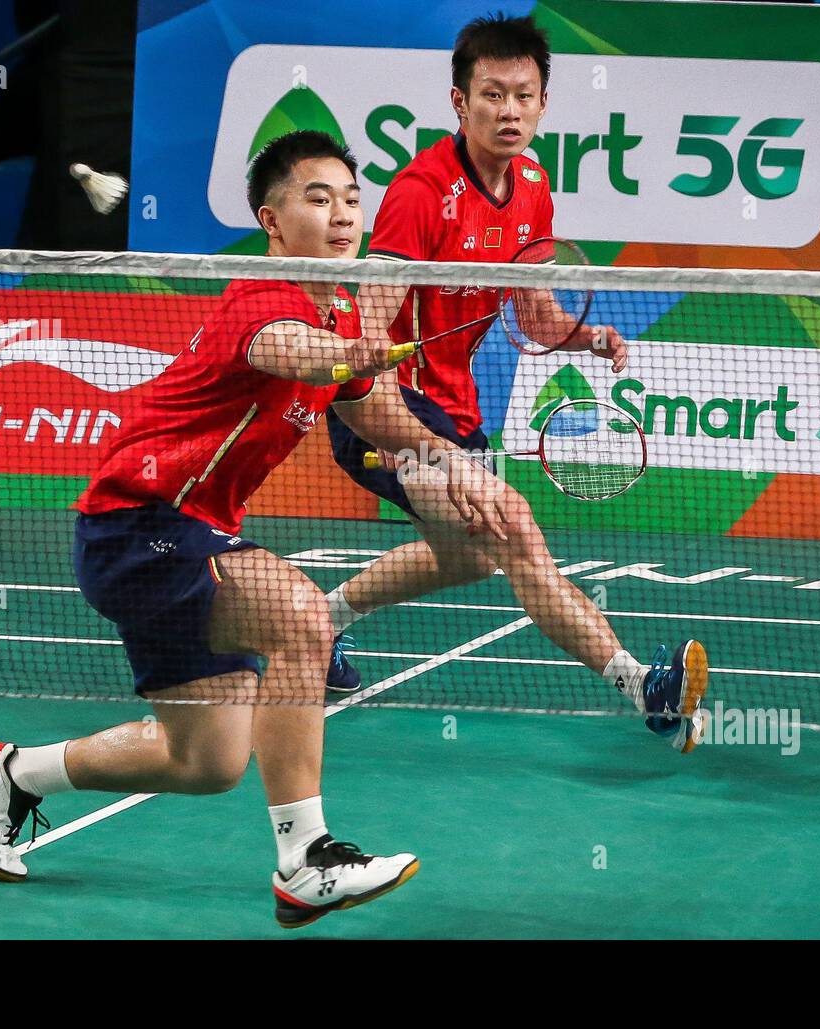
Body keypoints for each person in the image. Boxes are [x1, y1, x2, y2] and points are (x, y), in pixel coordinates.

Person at [0, 130, 509, 929]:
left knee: (208, 759)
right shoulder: (264, 296)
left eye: (352, 198)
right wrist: (345, 353)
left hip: (187, 535)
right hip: (139, 521)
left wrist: (452, 463)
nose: (342, 213)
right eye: (317, 198)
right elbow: (286, 350)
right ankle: (307, 859)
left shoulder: (341, 306)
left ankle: (12, 773)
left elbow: (375, 409)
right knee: (301, 617)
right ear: (272, 219)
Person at [325, 13, 710, 748]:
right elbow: (367, 331)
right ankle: (645, 687)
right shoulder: (418, 192)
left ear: (542, 103)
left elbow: (532, 309)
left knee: (469, 554)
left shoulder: (532, 185)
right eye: (492, 94)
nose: (508, 110)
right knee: (515, 529)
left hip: (456, 408)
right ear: (459, 103)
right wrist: (410, 438)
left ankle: (318, 622)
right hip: (387, 410)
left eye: (523, 95)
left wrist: (584, 336)